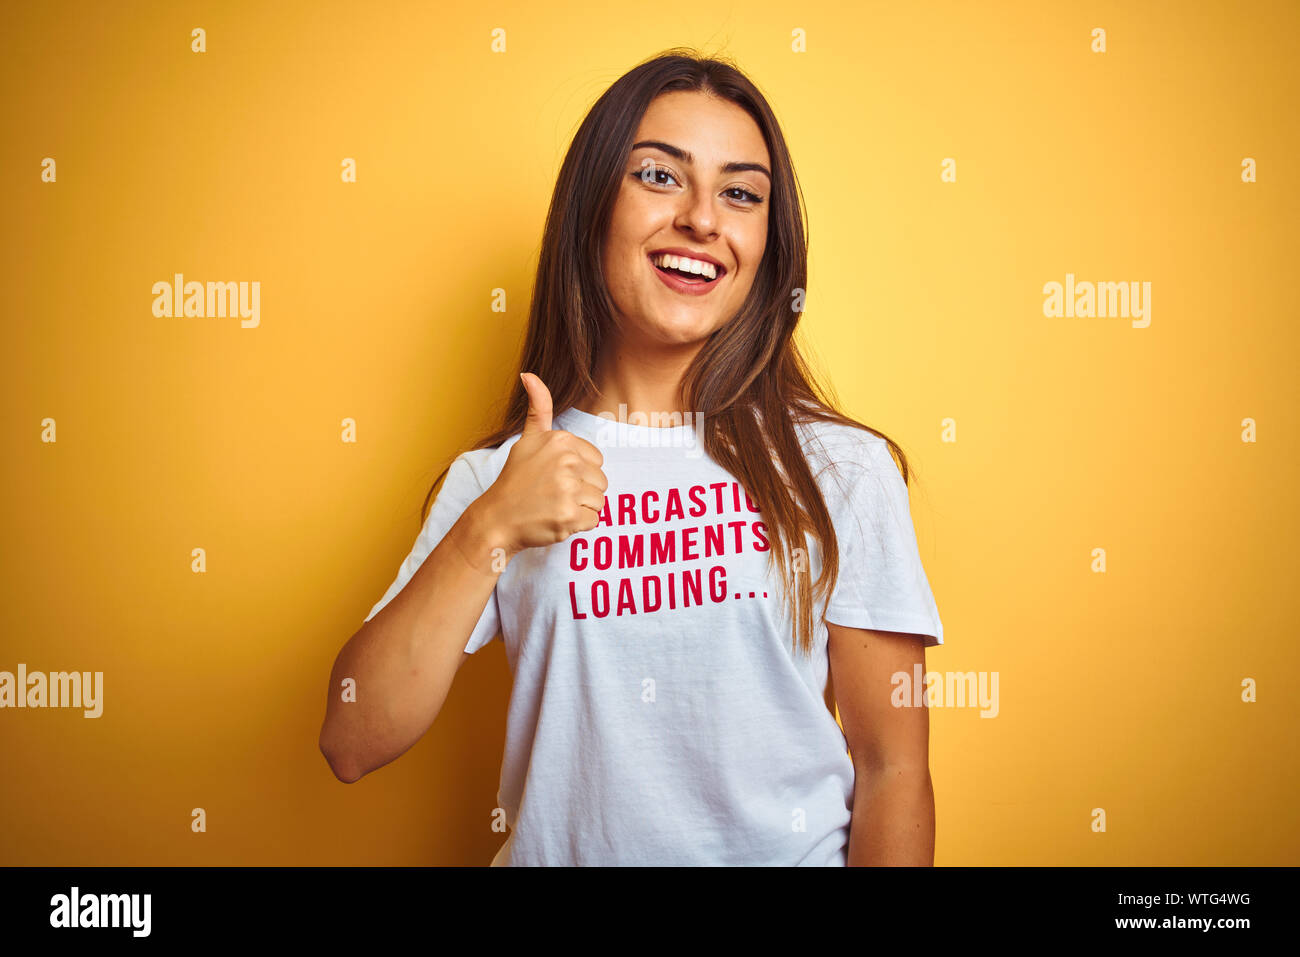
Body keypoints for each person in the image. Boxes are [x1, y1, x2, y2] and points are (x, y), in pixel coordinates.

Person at [318, 48, 944, 866]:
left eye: (740, 193)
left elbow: (893, 766)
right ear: (592, 208)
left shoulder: (841, 469)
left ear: (767, 242)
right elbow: (352, 736)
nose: (702, 218)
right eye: (659, 176)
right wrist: (490, 531)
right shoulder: (502, 479)